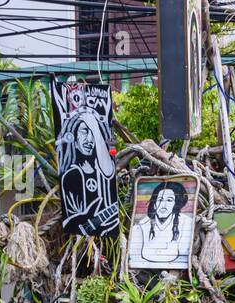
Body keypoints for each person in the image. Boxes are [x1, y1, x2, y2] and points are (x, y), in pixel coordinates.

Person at [58, 108, 117, 236]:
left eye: (94, 134)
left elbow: (108, 171)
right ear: (73, 137)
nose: (90, 140)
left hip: (108, 232)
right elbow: (78, 219)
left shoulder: (101, 169)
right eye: (85, 131)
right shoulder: (71, 175)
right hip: (83, 240)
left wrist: (95, 127)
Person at [130, 180, 194, 267]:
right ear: (155, 204)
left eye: (169, 200)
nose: (163, 205)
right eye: (160, 200)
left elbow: (183, 258)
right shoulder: (141, 226)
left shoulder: (186, 224)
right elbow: (135, 258)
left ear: (175, 204)